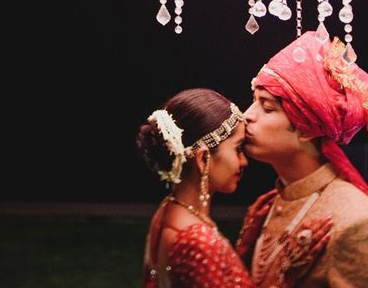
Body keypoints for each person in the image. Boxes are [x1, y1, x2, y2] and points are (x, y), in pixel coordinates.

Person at [237, 30, 368, 288]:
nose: (246, 116)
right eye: (253, 102)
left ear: (306, 129)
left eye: (267, 107)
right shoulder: (270, 205)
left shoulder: (357, 224)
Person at [137, 88, 331, 288]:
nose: (243, 161)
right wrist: (287, 269)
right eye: (237, 149)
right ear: (203, 159)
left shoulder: (168, 210)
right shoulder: (198, 242)